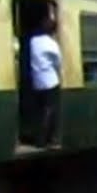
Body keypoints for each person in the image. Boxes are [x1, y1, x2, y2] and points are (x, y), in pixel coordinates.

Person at [29, 15, 63, 148]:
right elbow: (58, 62)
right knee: (50, 111)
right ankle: (49, 139)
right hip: (51, 81)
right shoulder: (52, 45)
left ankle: (39, 138)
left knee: (39, 111)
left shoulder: (33, 41)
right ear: (53, 31)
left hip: (37, 81)